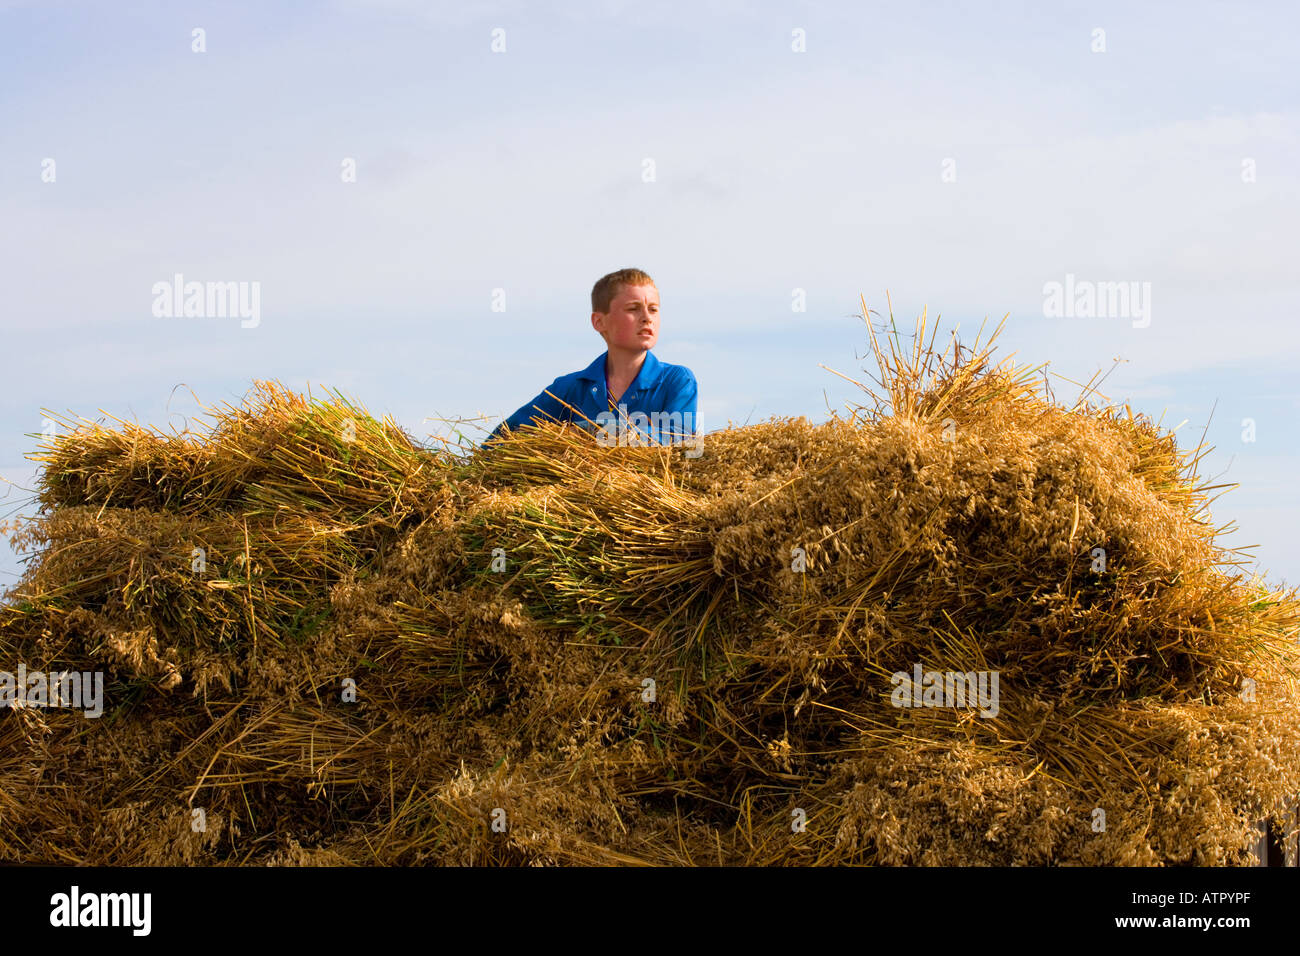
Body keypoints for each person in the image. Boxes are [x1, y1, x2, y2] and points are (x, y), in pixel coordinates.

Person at [487, 268, 699, 450]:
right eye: (633, 309)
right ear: (599, 321)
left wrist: (585, 432)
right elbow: (499, 440)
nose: (647, 317)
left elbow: (680, 442)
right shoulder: (571, 388)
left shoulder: (677, 381)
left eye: (653, 309)